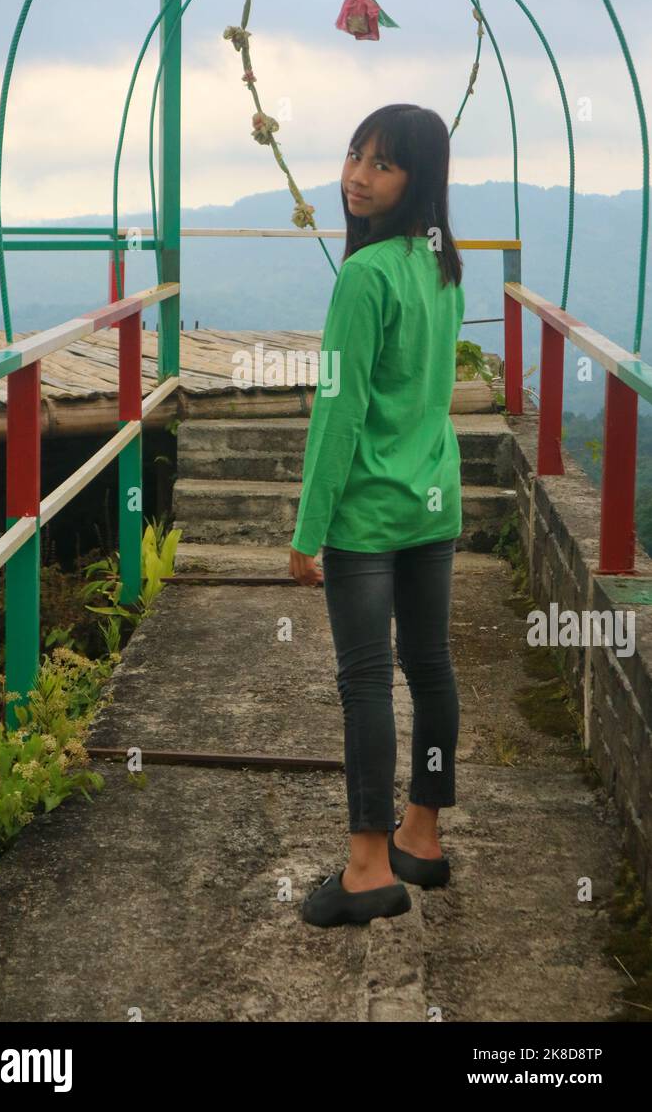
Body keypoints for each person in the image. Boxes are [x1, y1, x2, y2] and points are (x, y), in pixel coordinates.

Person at [289, 102, 465, 928]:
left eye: (382, 164)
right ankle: (419, 839)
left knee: (365, 681)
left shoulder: (363, 276)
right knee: (427, 667)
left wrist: (306, 528)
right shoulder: (441, 266)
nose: (357, 176)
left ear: (415, 181)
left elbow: (338, 412)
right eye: (355, 153)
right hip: (433, 499)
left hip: (365, 514)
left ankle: (366, 868)